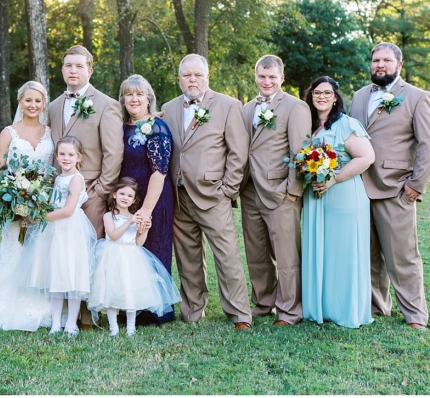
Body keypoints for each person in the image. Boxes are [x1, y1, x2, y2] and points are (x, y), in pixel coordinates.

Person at [349, 42, 430, 330]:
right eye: (376, 60)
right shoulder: (359, 96)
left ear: (399, 65)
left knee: (403, 257)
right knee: (370, 254)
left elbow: (429, 143)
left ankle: (415, 316)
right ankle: (378, 308)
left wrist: (417, 184)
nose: (380, 65)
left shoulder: (416, 97)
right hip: (360, 187)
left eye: (387, 60)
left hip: (396, 188)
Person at [160, 53, 253, 330]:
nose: (192, 80)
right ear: (179, 78)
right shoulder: (168, 107)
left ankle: (240, 315)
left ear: (207, 77)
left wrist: (228, 189)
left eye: (197, 75)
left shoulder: (227, 105)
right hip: (178, 195)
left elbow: (239, 152)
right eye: (187, 75)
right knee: (187, 258)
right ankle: (192, 311)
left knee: (227, 256)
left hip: (214, 195)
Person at [0, 81, 53, 331]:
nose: (33, 105)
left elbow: (53, 168)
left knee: (37, 250)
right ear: (20, 101)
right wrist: (17, 198)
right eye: (28, 100)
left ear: (43, 104)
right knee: (14, 248)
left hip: (42, 202)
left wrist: (39, 198)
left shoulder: (50, 132)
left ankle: (41, 305)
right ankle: (3, 305)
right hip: (13, 201)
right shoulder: (8, 133)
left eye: (38, 101)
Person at [239, 55, 311, 326]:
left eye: (272, 77)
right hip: (249, 191)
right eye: (261, 76)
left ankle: (290, 310)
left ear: (282, 78)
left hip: (281, 191)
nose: (266, 81)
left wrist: (292, 190)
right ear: (256, 77)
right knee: (256, 254)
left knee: (286, 256)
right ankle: (263, 303)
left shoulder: (296, 107)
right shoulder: (247, 108)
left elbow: (300, 151)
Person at [301, 76, 375, 328]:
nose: (321, 97)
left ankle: (345, 309)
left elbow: (366, 157)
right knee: (322, 251)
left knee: (343, 254)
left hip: (344, 196)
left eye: (327, 93)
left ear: (335, 97)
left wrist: (333, 179)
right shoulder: (307, 126)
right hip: (316, 197)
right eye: (316, 93)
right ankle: (320, 307)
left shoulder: (346, 124)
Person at [19, 136, 97, 336]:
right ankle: (56, 322)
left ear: (79, 157)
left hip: (70, 230)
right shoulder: (59, 178)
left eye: (71, 154)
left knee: (71, 275)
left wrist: (40, 217)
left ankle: (71, 323)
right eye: (62, 154)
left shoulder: (76, 179)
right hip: (54, 230)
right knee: (55, 274)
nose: (66, 158)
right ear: (56, 156)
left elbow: (69, 210)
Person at [88, 177, 181, 337]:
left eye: (129, 196)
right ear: (114, 195)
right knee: (110, 291)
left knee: (131, 292)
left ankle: (131, 327)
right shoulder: (109, 216)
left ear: (134, 200)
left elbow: (139, 243)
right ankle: (113, 328)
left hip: (132, 257)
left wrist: (144, 229)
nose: (125, 198)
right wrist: (130, 221)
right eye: (122, 193)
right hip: (112, 256)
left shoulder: (135, 217)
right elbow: (114, 235)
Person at [118, 74, 177, 326]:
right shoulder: (121, 127)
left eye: (139, 94)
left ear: (149, 99)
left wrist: (145, 211)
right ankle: (129, 305)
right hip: (126, 198)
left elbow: (159, 171)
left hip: (153, 198)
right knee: (127, 250)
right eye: (129, 94)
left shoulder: (157, 127)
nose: (134, 98)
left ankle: (154, 310)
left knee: (152, 249)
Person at [47, 45, 124, 238]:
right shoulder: (53, 106)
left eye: (79, 66)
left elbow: (113, 152)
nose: (73, 70)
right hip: (57, 191)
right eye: (68, 65)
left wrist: (100, 191)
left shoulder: (107, 105)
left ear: (89, 71)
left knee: (89, 250)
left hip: (90, 191)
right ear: (62, 69)